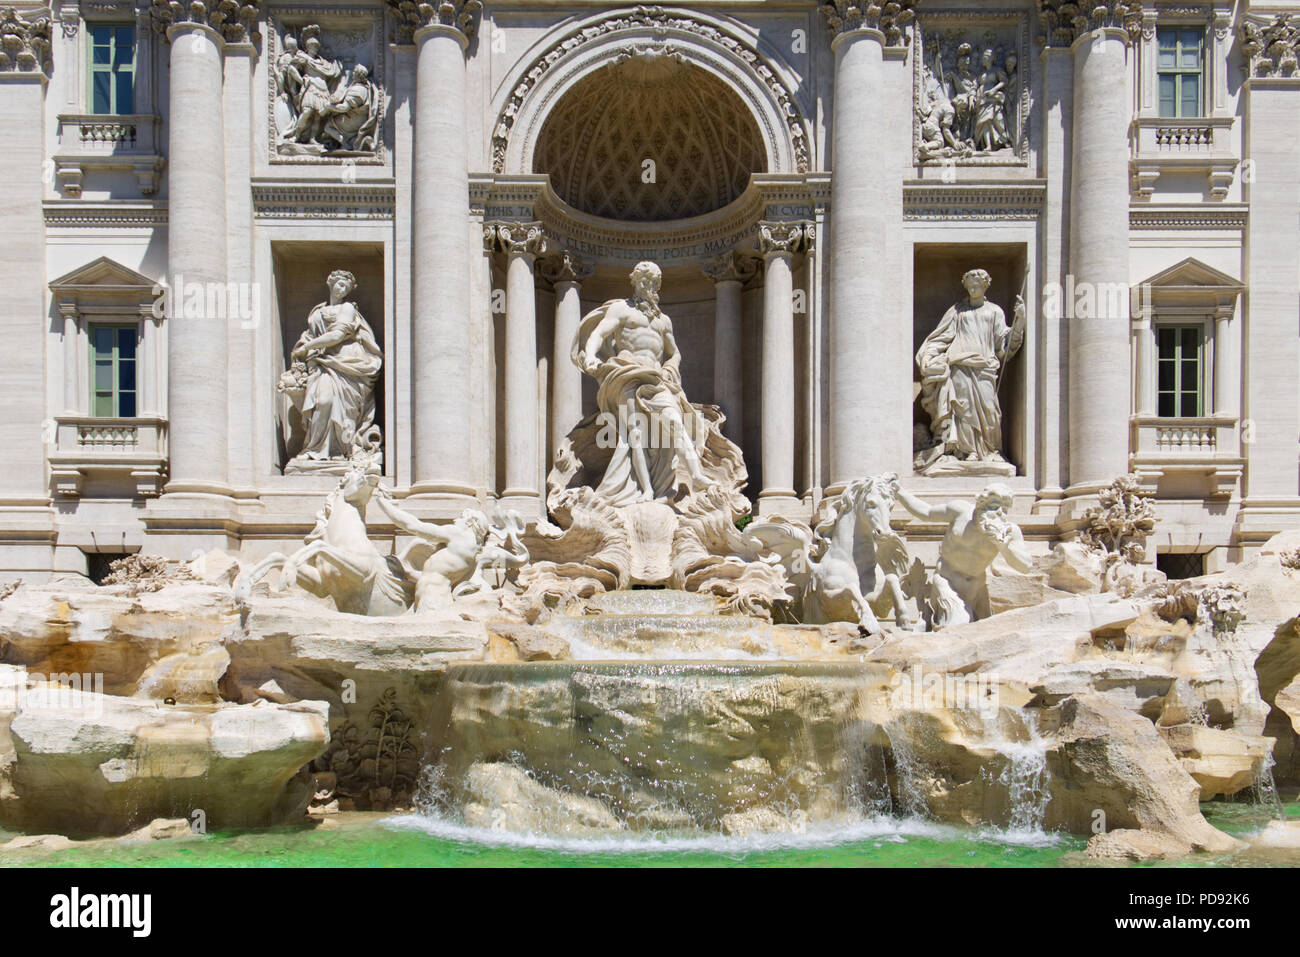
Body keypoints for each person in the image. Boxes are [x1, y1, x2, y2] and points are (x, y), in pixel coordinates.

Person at [572, 261, 709, 504]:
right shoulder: (621, 310)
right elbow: (599, 334)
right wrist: (591, 356)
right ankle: (646, 490)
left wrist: (670, 367)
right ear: (635, 282)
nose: (649, 285)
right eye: (644, 280)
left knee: (675, 422)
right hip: (627, 373)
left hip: (656, 378)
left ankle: (696, 474)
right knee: (635, 436)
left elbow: (674, 352)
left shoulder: (663, 320)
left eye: (654, 282)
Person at [915, 268, 1024, 464]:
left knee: (989, 410)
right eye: (970, 286)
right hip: (959, 364)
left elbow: (1005, 345)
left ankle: (990, 450)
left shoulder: (994, 311)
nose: (973, 289)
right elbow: (941, 337)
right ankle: (967, 451)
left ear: (985, 286)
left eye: (978, 286)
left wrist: (1019, 321)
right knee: (962, 409)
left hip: (985, 366)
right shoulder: (957, 311)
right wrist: (929, 355)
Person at [896, 483, 1032, 628]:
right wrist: (899, 492)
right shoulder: (960, 512)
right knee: (959, 624)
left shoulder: (1009, 532)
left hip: (977, 590)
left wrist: (1003, 546)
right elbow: (926, 512)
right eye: (995, 506)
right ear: (981, 503)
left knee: (982, 632)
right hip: (946, 582)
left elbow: (1026, 566)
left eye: (1005, 509)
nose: (1000, 512)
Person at [287, 270, 383, 464]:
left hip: (347, 363)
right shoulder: (317, 311)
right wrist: (305, 347)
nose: (342, 289)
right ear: (330, 283)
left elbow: (337, 335)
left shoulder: (347, 308)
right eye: (340, 285)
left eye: (346, 287)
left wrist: (307, 347)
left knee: (337, 406)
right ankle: (315, 449)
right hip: (322, 362)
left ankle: (343, 450)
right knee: (323, 401)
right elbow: (312, 334)